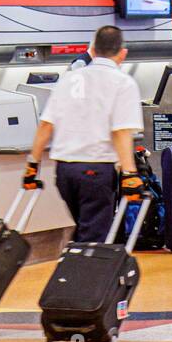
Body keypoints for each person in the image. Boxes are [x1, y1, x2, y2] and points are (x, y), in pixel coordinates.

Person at [25, 25, 145, 244]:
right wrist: (130, 173)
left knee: (85, 229)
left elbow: (45, 125)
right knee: (94, 238)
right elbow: (120, 132)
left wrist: (32, 165)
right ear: (122, 53)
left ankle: (77, 270)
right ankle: (85, 275)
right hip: (96, 168)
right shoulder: (123, 83)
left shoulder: (70, 79)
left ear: (93, 50)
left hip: (65, 172)